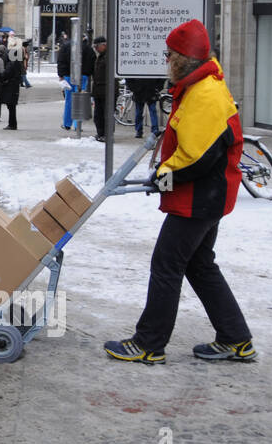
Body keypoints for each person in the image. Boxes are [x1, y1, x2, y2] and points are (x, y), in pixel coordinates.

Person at [105, 19, 254, 365]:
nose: (165, 60)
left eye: (168, 55)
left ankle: (149, 343)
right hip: (209, 196)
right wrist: (163, 176)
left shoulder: (205, 95)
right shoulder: (200, 87)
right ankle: (236, 338)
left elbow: (196, 159)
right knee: (200, 265)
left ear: (183, 59)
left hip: (199, 199)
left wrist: (163, 177)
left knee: (166, 264)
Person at [0, 44, 22, 129]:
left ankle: (12, 124)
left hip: (10, 87)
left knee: (11, 106)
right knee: (12, 106)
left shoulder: (11, 64)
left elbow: (6, 74)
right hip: (14, 87)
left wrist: (0, 75)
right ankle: (12, 124)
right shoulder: (17, 63)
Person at [91, 36, 108, 141]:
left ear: (103, 45)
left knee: (105, 115)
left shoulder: (108, 57)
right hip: (98, 91)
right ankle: (100, 133)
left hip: (106, 91)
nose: (96, 49)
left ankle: (106, 134)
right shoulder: (100, 56)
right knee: (98, 115)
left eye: (97, 46)